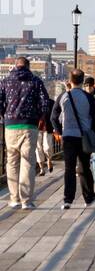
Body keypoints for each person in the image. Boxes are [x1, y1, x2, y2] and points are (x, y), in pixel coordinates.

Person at [0, 57, 53, 209]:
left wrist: (5, 114)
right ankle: (26, 200)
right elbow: (44, 102)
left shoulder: (5, 81)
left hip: (10, 125)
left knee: (12, 161)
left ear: (15, 66)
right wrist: (41, 117)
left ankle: (14, 198)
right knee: (28, 162)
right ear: (28, 66)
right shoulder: (36, 81)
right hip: (30, 125)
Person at [51, 69, 95, 210]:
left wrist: (59, 132)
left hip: (68, 136)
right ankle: (88, 196)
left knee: (69, 168)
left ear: (70, 80)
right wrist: (91, 131)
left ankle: (68, 199)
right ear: (82, 80)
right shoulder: (88, 97)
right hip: (83, 135)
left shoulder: (63, 96)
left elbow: (53, 117)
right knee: (84, 166)